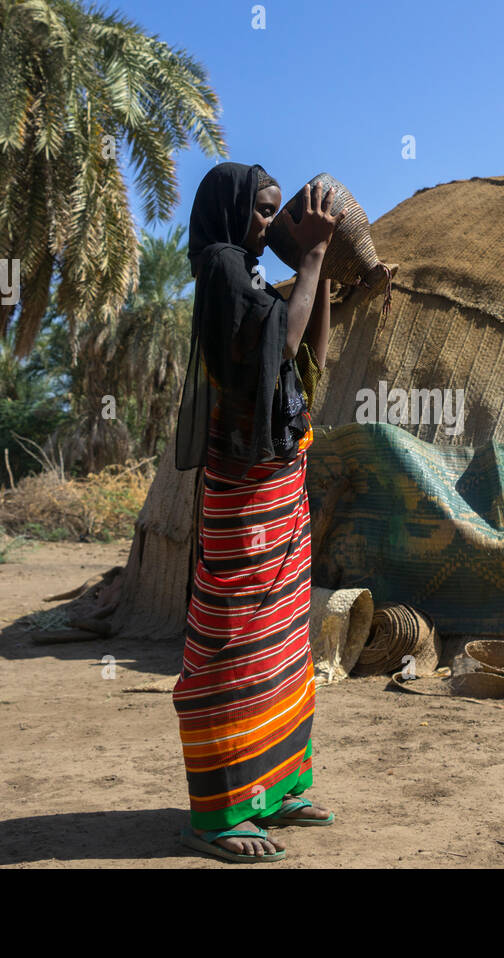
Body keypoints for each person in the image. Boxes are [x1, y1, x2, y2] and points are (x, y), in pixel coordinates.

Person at [171, 161, 345, 862]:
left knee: (282, 642)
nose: (272, 222)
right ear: (232, 210)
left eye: (279, 211)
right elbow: (281, 340)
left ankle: (278, 788)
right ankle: (219, 813)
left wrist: (320, 266)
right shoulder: (220, 266)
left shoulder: (246, 278)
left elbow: (309, 348)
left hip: (278, 484)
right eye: (265, 211)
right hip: (245, 494)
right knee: (238, 641)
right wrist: (305, 256)